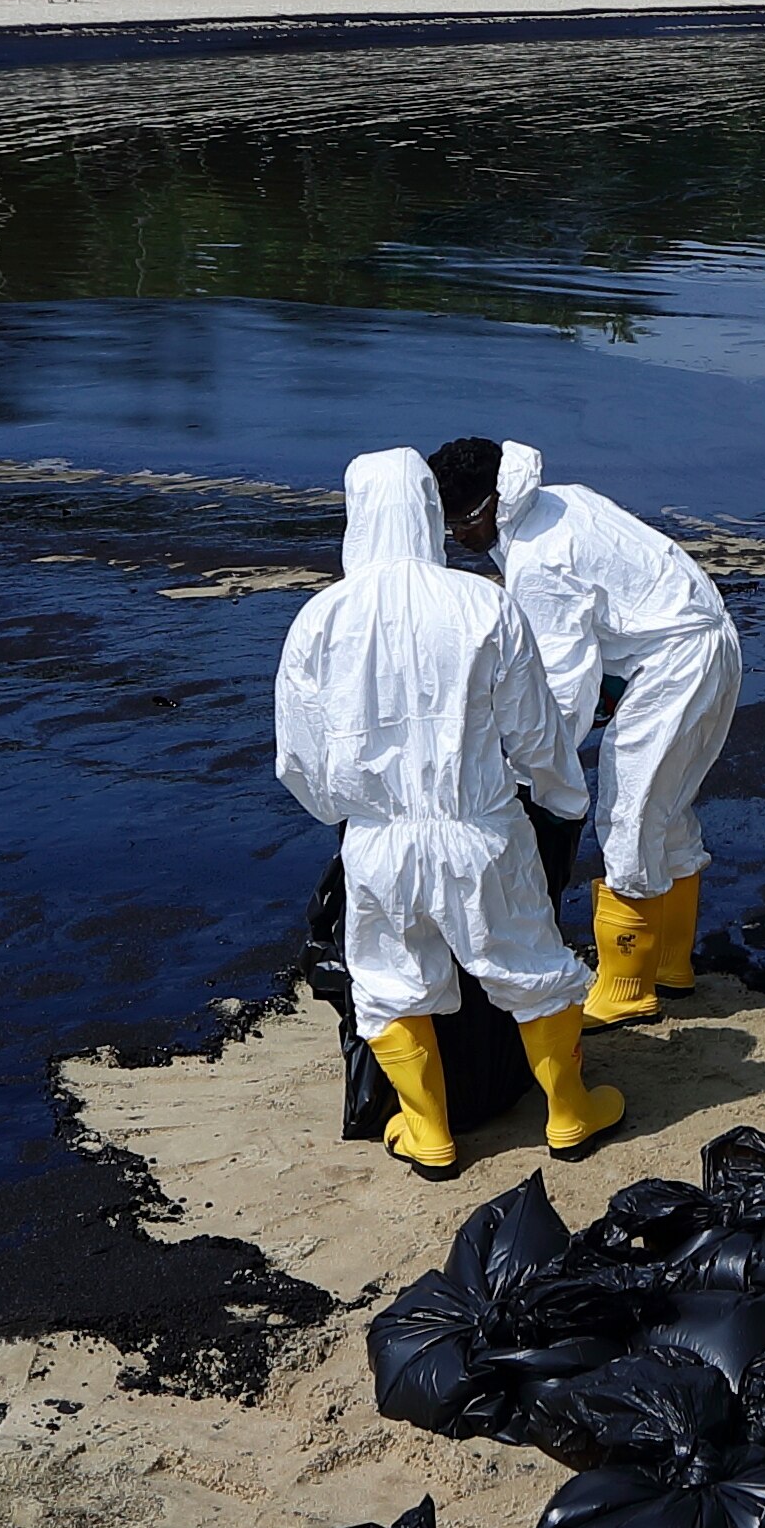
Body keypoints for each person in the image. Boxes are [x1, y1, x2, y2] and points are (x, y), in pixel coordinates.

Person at [276, 449, 625, 1176]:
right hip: (481, 829)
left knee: (389, 980)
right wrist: (562, 800)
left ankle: (429, 1131)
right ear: (431, 513)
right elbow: (536, 732)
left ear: (355, 515)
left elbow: (299, 758)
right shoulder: (483, 605)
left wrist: (347, 813)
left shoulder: (319, 620)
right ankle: (568, 1114)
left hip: (379, 841)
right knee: (530, 965)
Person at [429, 435, 743, 1029]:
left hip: (674, 664)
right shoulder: (559, 499)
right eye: (449, 527)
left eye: (464, 523)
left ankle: (625, 988)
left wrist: (530, 773)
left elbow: (563, 685)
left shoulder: (538, 560)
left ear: (494, 502)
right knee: (665, 810)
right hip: (700, 642)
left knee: (629, 815)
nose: (460, 539)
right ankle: (670, 964)